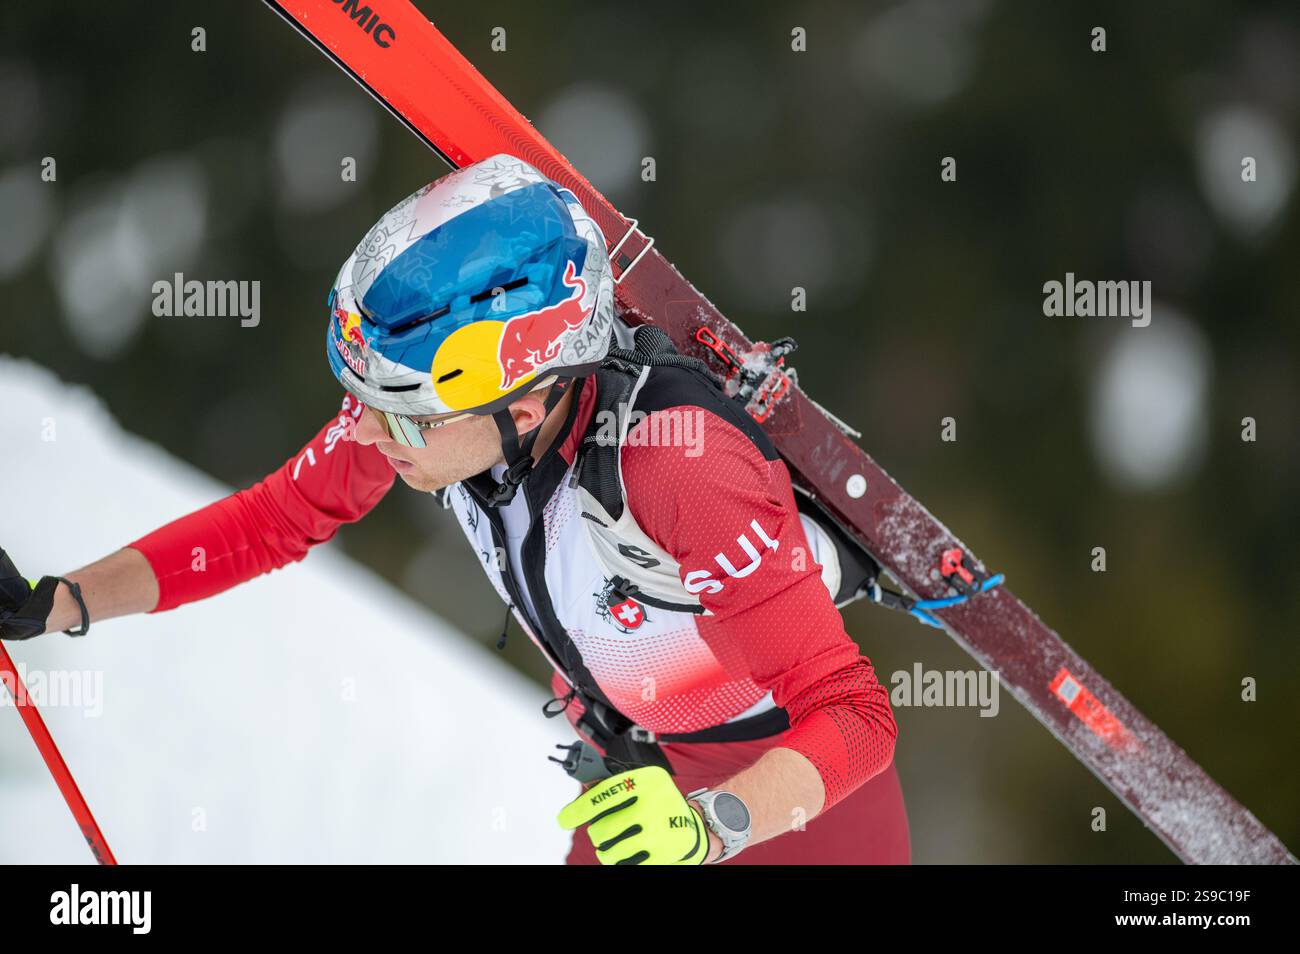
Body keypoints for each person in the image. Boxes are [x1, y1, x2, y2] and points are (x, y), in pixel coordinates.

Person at [0, 154, 909, 865]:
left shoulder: (681, 469)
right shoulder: (447, 428)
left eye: (397, 409)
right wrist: (60, 602)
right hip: (637, 783)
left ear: (521, 406)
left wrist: (713, 825)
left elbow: (857, 714)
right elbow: (269, 521)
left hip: (792, 817)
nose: (366, 429)